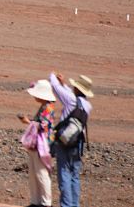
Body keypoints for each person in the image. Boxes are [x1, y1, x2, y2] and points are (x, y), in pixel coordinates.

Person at [49, 73, 92, 207]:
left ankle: (66, 205)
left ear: (77, 89)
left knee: (64, 175)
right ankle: (74, 205)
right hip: (78, 142)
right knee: (74, 176)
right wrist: (64, 84)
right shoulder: (87, 105)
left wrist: (53, 76)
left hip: (65, 141)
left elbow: (55, 88)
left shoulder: (71, 100)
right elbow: (70, 95)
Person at [18, 79, 57, 207]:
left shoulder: (48, 108)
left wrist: (28, 122)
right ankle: (36, 201)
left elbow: (43, 126)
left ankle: (45, 203)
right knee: (34, 173)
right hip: (38, 144)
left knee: (41, 174)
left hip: (42, 145)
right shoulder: (45, 107)